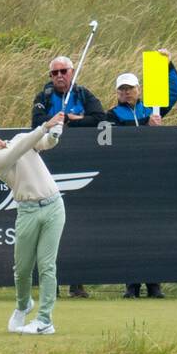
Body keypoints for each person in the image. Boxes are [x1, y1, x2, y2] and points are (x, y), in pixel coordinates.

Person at [0, 113, 67, 334]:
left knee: (47, 265)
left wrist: (54, 133)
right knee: (22, 269)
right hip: (27, 211)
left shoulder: (22, 138)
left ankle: (44, 321)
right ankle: (24, 305)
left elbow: (44, 143)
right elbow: (18, 150)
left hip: (54, 207)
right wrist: (44, 126)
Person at [105, 49, 177, 298]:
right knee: (129, 232)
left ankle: (154, 284)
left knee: (155, 231)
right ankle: (132, 285)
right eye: (122, 89)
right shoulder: (111, 115)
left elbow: (176, 91)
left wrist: (166, 64)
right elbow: (110, 140)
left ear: (139, 89)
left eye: (130, 88)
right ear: (117, 93)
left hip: (154, 176)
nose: (126, 92)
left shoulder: (153, 108)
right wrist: (144, 131)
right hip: (127, 178)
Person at [32, 55, 105, 298]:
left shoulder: (83, 94)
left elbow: (100, 119)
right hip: (49, 165)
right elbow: (37, 122)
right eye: (55, 73)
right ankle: (50, 285)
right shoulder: (43, 97)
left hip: (80, 162)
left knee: (78, 225)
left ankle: (77, 283)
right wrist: (55, 122)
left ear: (72, 72)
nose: (60, 76)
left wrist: (73, 121)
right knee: (49, 229)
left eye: (64, 71)